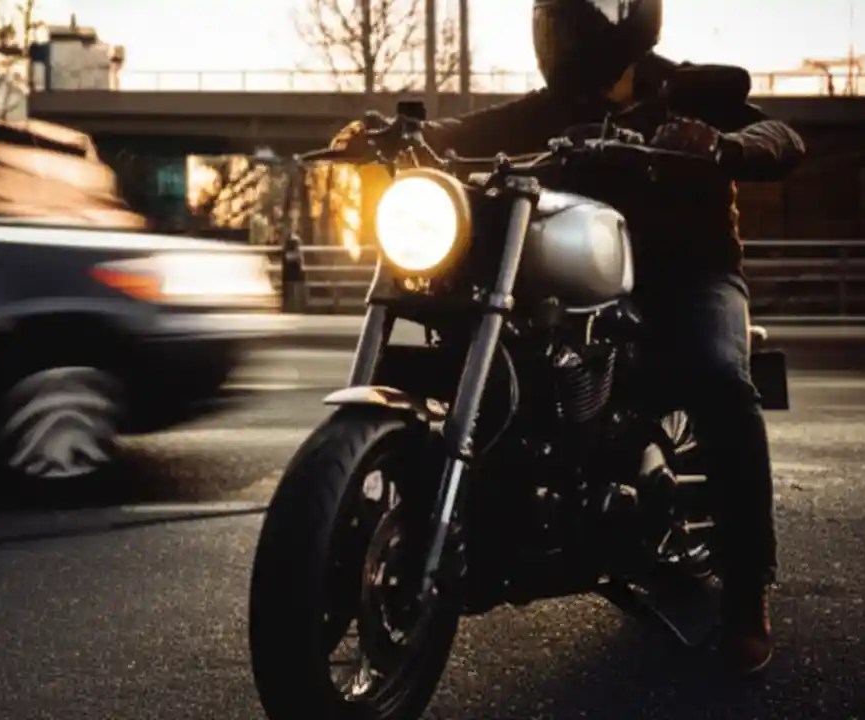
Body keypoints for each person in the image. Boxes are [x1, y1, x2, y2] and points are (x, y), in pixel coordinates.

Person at [332, 0, 805, 674]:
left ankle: (747, 589)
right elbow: (466, 130)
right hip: (583, 280)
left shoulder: (684, 92)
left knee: (719, 378)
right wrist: (394, 135)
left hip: (689, 274)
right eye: (551, 15)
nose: (557, 30)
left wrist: (722, 145)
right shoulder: (548, 109)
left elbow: (781, 137)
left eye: (570, 15)